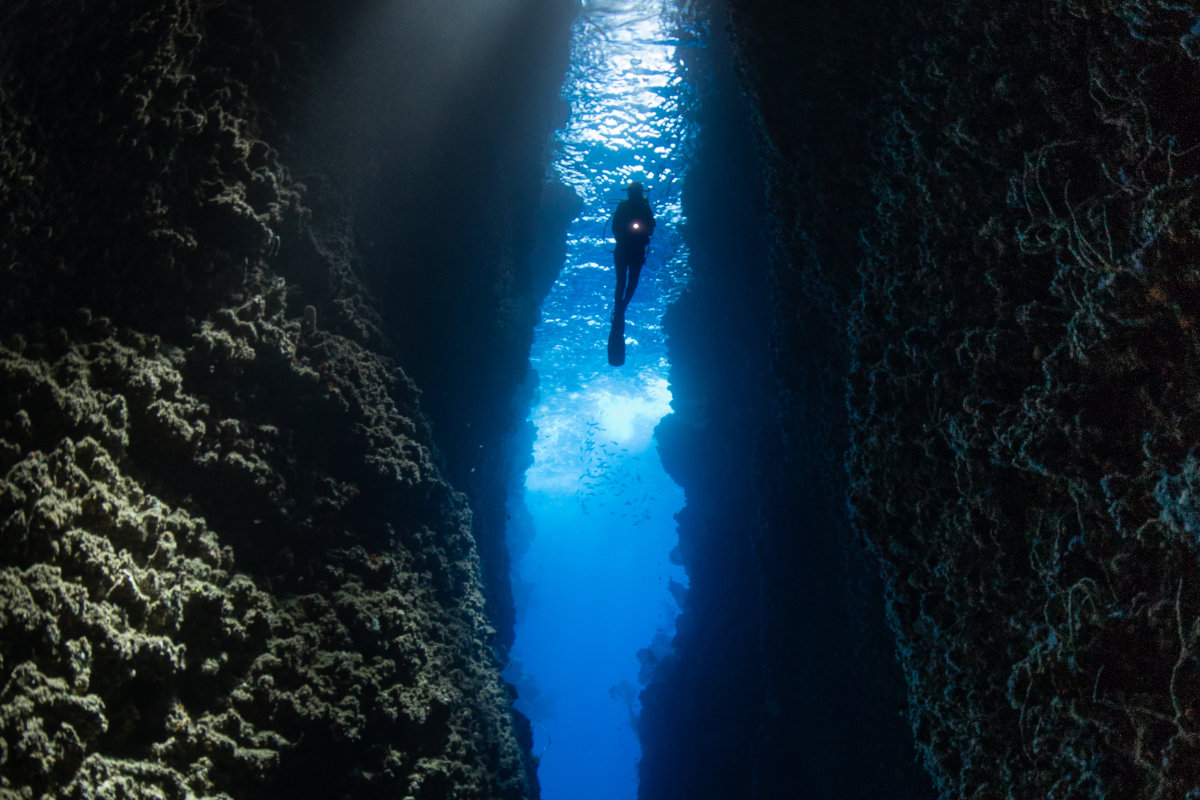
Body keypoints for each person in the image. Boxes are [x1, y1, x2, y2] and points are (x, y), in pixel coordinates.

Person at [610, 181, 655, 311]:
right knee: (624, 280)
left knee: (629, 280)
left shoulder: (644, 207)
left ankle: (622, 305)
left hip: (632, 248)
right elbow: (615, 228)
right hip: (628, 247)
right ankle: (620, 305)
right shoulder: (625, 206)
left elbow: (651, 228)